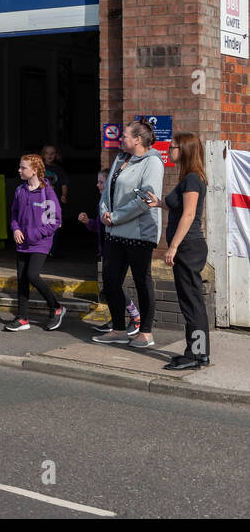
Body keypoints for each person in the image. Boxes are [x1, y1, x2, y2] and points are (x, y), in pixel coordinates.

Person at [93, 121, 165, 348]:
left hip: (140, 233)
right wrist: (105, 212)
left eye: (124, 136)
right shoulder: (120, 159)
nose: (120, 139)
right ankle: (118, 329)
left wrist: (116, 216)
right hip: (114, 230)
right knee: (111, 281)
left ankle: (145, 332)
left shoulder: (152, 162)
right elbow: (107, 192)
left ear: (137, 140)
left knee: (142, 281)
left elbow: (146, 198)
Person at [144, 132, 210, 370]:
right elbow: (180, 206)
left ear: (184, 150)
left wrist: (172, 247)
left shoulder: (192, 179)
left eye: (173, 147)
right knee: (192, 301)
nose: (169, 150)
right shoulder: (190, 178)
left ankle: (195, 355)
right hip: (189, 247)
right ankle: (198, 352)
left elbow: (190, 214)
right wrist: (159, 203)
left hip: (188, 247)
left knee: (191, 302)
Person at [6, 153, 65, 331]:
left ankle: (56, 307)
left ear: (35, 170)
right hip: (22, 242)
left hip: (40, 242)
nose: (19, 170)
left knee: (32, 275)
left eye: (23, 167)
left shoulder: (47, 192)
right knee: (22, 279)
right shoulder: (20, 191)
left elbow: (55, 221)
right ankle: (23, 318)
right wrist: (15, 228)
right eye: (20, 167)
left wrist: (34, 234)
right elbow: (14, 215)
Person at [78, 171, 141, 334]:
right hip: (107, 250)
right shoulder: (103, 201)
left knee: (113, 287)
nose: (97, 185)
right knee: (110, 288)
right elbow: (99, 227)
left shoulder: (116, 202)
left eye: (101, 182)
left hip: (120, 250)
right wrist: (88, 222)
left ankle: (136, 318)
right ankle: (116, 319)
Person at [41, 144, 69, 257]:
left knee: (54, 224)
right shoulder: (40, 168)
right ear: (43, 155)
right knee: (41, 223)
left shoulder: (59, 170)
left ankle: (52, 249)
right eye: (47, 153)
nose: (50, 155)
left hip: (54, 202)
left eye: (52, 153)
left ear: (56, 155)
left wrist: (64, 195)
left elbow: (64, 184)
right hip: (41, 201)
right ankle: (41, 247)